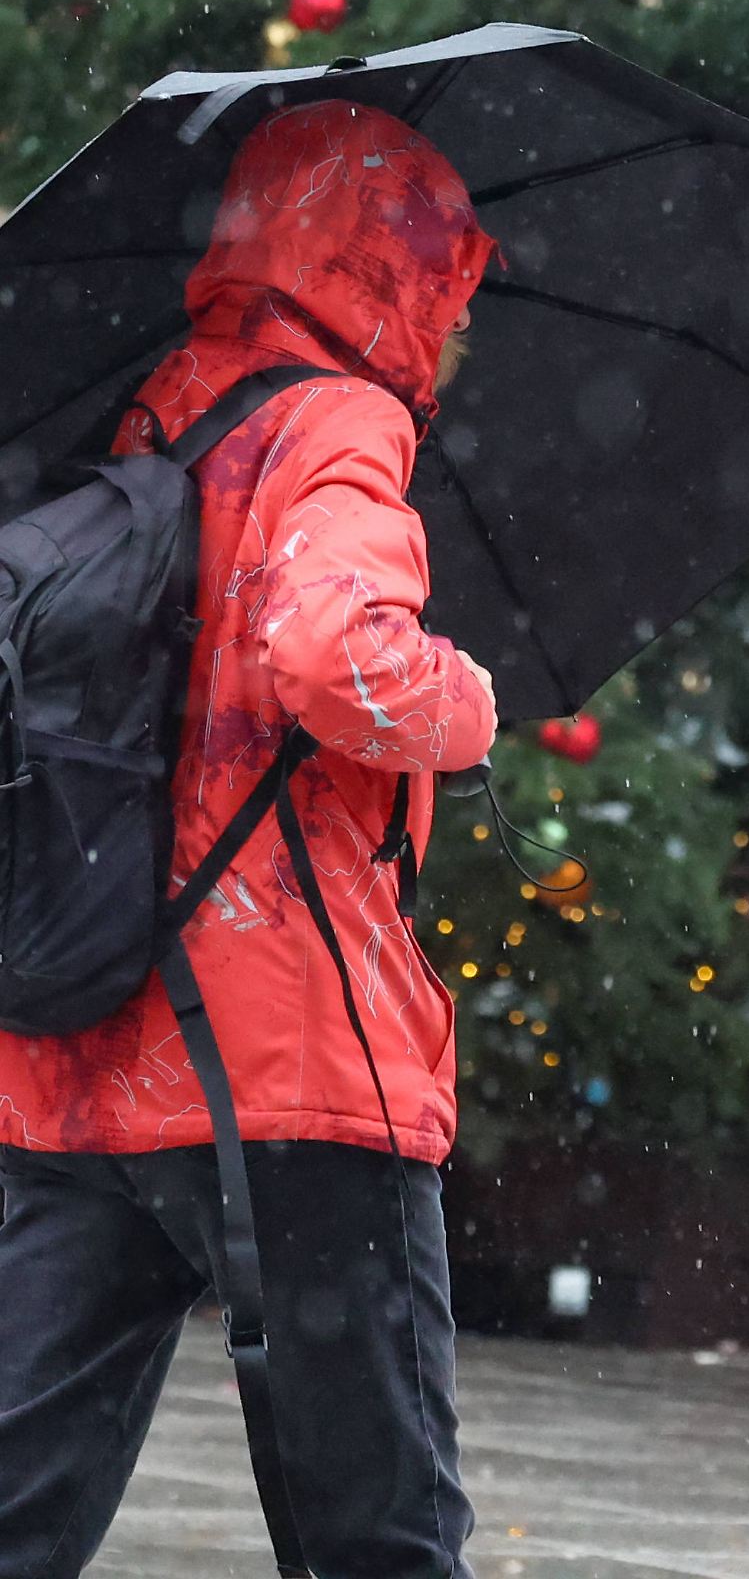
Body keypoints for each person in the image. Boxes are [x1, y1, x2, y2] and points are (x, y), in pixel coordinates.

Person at [0, 99, 498, 1577]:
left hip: (88, 1047)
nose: (457, 318)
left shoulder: (153, 407)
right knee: (378, 1537)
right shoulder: (338, 419)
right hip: (286, 1064)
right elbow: (336, 656)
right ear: (396, 269)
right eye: (447, 276)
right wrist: (466, 705)